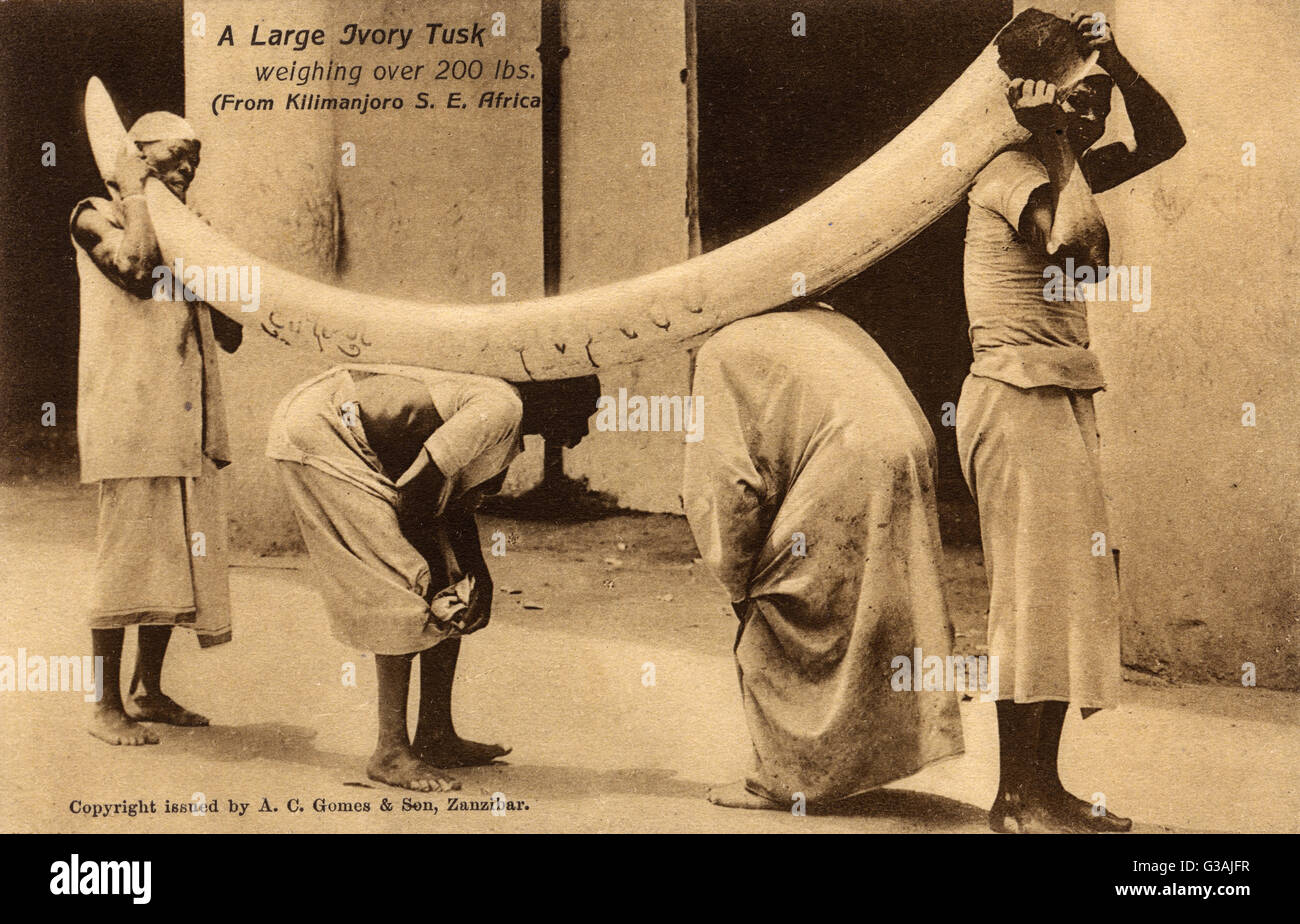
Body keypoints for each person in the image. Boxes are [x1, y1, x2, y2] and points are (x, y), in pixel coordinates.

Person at [957, 13, 1185, 832]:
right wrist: (1053, 138)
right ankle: (1014, 798)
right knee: (1031, 599)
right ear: (1039, 100)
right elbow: (1082, 246)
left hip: (1053, 395)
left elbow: (1164, 138)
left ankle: (1040, 789)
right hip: (1016, 398)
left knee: (1063, 595)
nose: (1096, 113)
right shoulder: (1013, 172)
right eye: (1082, 97)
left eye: (1100, 96)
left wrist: (1115, 58)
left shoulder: (1063, 161)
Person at [683, 306, 965, 810]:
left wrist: (737, 578)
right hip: (909, 446)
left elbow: (725, 482)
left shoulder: (719, 349)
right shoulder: (828, 318)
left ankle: (784, 781)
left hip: (847, 458)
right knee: (879, 606)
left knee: (784, 607)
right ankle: (858, 764)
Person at [268, 364, 526, 792]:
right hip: (322, 429)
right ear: (559, 397)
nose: (586, 429)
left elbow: (454, 505)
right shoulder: (502, 407)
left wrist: (477, 576)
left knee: (453, 585)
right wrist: (439, 577)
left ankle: (436, 736)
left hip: (346, 429)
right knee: (404, 584)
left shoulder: (507, 421)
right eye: (585, 410)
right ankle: (390, 752)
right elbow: (416, 496)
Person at [71, 111, 243, 746]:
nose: (188, 170)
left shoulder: (185, 231)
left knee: (173, 554)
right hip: (129, 416)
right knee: (127, 558)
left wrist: (210, 258)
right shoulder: (95, 214)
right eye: (173, 158)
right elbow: (137, 271)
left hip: (185, 419)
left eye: (192, 159)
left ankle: (148, 688)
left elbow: (231, 332)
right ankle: (104, 705)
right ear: (134, 159)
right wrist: (140, 197)